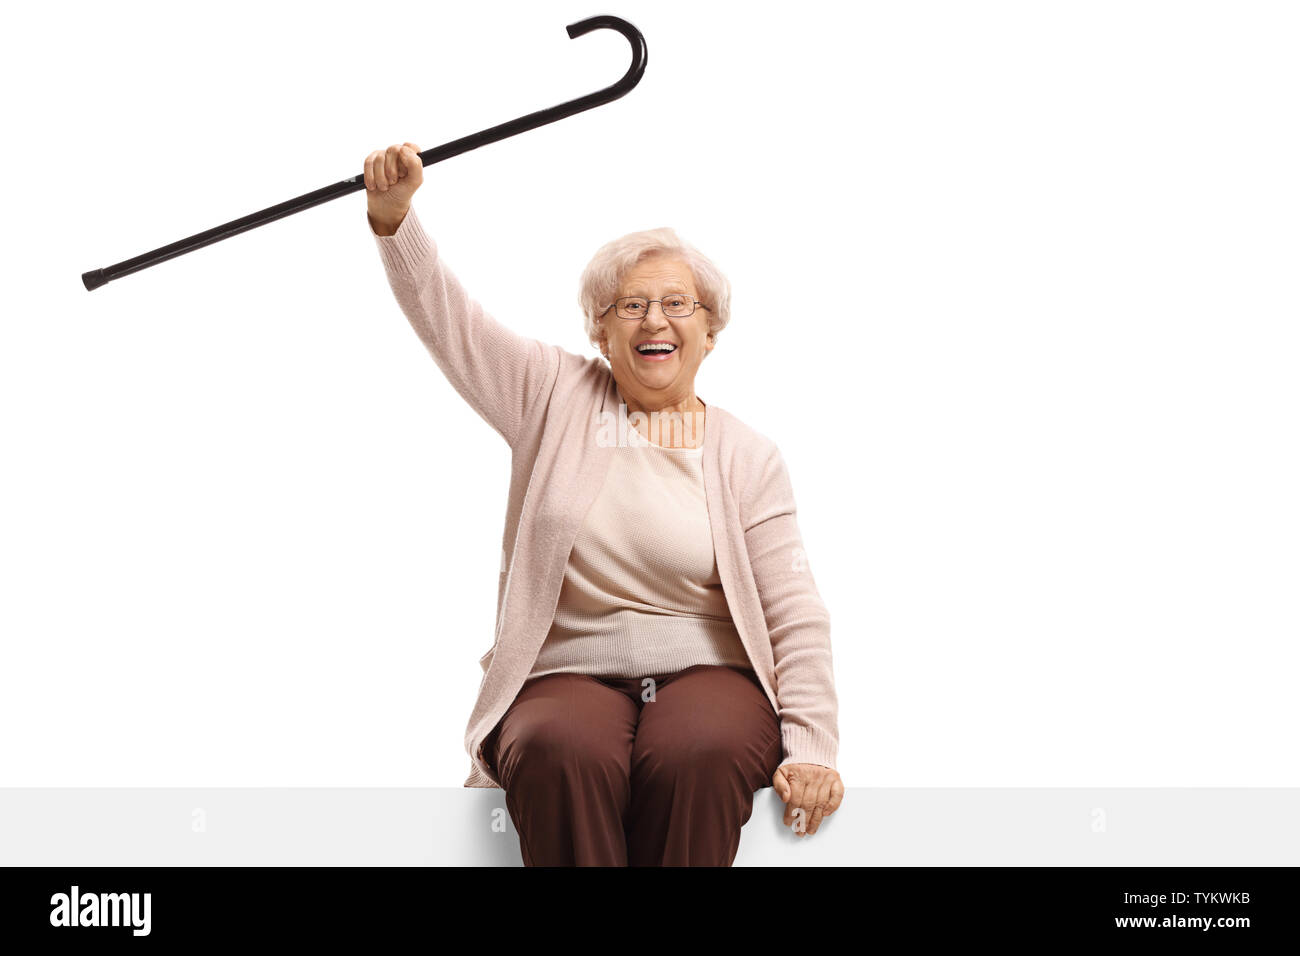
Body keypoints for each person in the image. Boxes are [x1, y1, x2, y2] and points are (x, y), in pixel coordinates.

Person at [364, 142, 842, 866]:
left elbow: (795, 613)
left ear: (710, 332)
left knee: (698, 753)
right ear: (600, 329)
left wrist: (814, 746)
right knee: (558, 749)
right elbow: (452, 323)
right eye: (631, 305)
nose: (655, 321)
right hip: (566, 675)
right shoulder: (551, 394)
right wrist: (397, 221)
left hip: (708, 675)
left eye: (678, 304)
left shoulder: (748, 456)